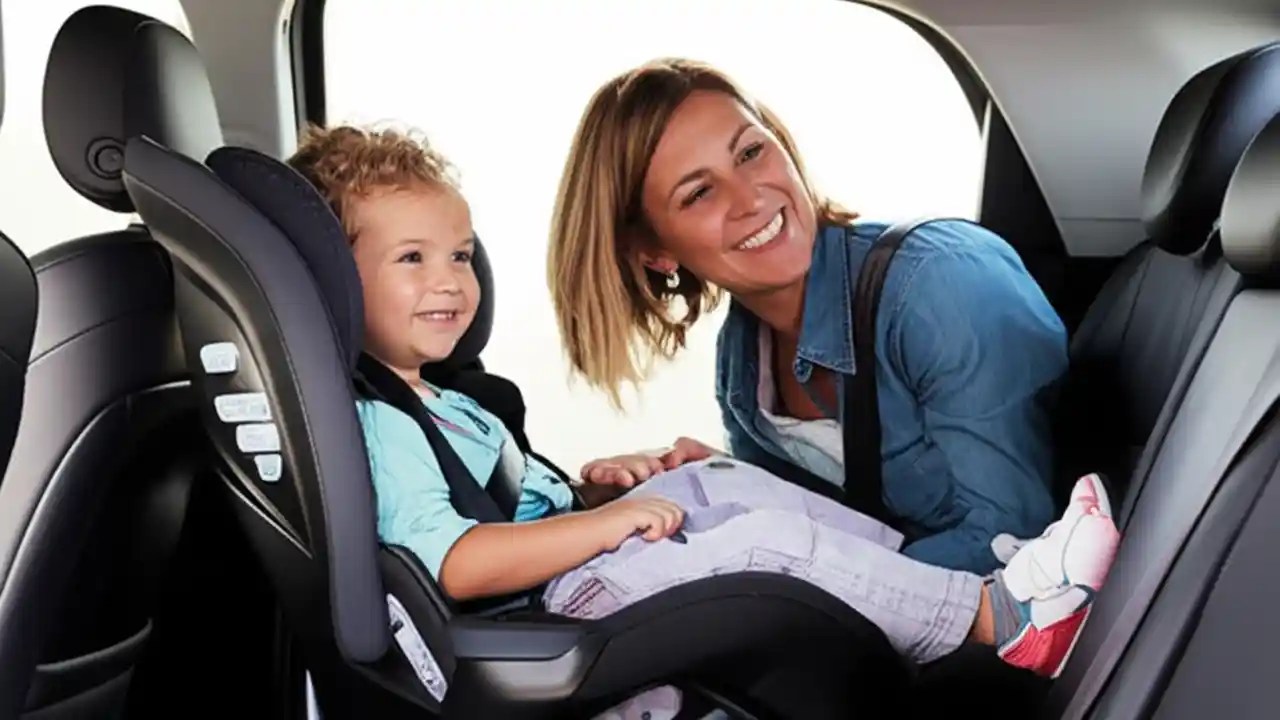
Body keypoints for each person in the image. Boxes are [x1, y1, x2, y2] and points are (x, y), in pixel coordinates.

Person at [286, 124, 1119, 716]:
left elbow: (516, 506)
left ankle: (913, 591)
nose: (451, 281)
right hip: (547, 611)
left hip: (566, 577)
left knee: (714, 478)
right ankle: (1001, 619)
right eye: (412, 258)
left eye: (461, 255)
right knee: (761, 542)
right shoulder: (380, 422)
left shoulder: (454, 403)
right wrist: (603, 526)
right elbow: (459, 563)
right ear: (334, 284)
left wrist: (599, 493)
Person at [547, 58, 1071, 576]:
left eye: (750, 153)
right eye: (700, 193)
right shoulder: (744, 362)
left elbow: (1011, 538)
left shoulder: (939, 284)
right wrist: (711, 486)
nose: (750, 198)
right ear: (655, 253)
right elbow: (825, 528)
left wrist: (809, 586)